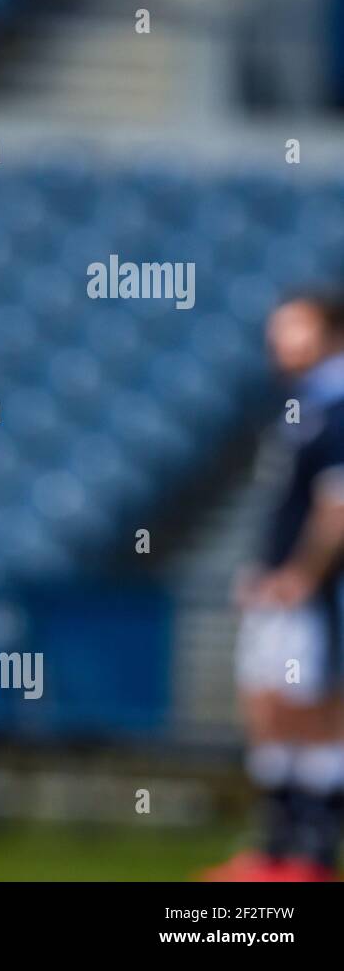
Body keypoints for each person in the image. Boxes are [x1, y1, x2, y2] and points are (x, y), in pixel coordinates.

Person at [204, 291, 344, 882]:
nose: (280, 342)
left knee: (311, 713)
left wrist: (301, 576)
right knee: (266, 705)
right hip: (277, 589)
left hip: (314, 596)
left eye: (295, 329)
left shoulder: (337, 404)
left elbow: (336, 505)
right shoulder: (299, 403)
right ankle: (276, 848)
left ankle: (311, 853)